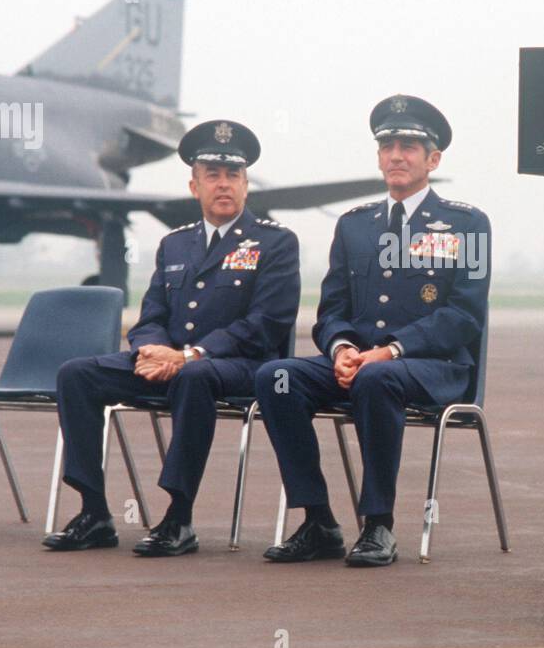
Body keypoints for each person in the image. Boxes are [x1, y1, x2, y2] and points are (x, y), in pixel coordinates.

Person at [42, 120, 300, 556]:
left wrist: (190, 355)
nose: (224, 184)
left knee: (193, 378)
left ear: (246, 185)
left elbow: (267, 324)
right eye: (212, 176)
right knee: (76, 375)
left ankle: (179, 519)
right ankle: (94, 513)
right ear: (194, 185)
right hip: (171, 360)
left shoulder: (274, 243)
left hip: (243, 365)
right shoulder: (175, 245)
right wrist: (150, 350)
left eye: (232, 176)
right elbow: (151, 315)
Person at [255, 94, 490, 567]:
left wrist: (393, 351)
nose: (396, 155)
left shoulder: (467, 224)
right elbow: (332, 309)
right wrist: (341, 347)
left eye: (409, 145)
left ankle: (378, 524)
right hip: (359, 364)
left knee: (377, 377)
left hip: (433, 367)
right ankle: (318, 520)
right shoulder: (354, 225)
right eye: (388, 145)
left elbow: (464, 316)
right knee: (275, 377)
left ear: (433, 158)